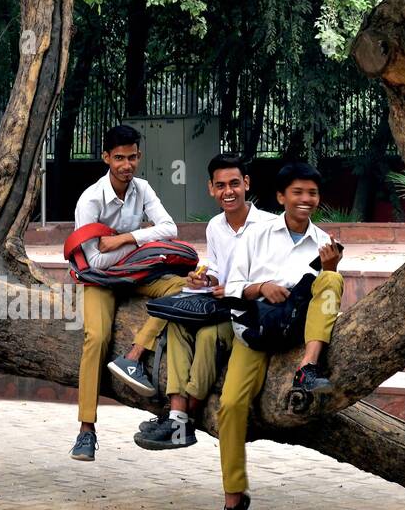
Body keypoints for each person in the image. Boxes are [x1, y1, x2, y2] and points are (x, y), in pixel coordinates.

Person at [216, 162, 345, 510]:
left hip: (295, 335)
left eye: (312, 194)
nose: (306, 200)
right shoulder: (256, 234)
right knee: (231, 405)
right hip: (255, 330)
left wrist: (330, 267)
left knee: (332, 279)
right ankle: (234, 501)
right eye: (298, 193)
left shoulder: (323, 242)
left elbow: (326, 298)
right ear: (281, 197)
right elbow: (233, 285)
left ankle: (309, 367)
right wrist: (262, 287)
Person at [134, 153, 272, 450]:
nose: (228, 191)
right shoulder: (214, 227)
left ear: (246, 183)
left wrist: (238, 288)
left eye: (234, 183)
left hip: (250, 315)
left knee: (208, 337)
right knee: (175, 325)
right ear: (211, 188)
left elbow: (277, 280)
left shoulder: (270, 226)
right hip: (218, 307)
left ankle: (183, 418)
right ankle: (177, 418)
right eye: (220, 185)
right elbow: (219, 271)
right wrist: (206, 279)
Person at [70, 124, 185, 462]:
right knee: (96, 337)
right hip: (100, 281)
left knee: (183, 289)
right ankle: (86, 430)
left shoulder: (143, 189)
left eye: (132, 157)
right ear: (106, 158)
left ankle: (133, 356)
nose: (126, 165)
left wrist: (126, 237)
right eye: (119, 157)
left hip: (137, 274)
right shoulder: (90, 200)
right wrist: (146, 236)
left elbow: (170, 228)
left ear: (139, 156)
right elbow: (95, 260)